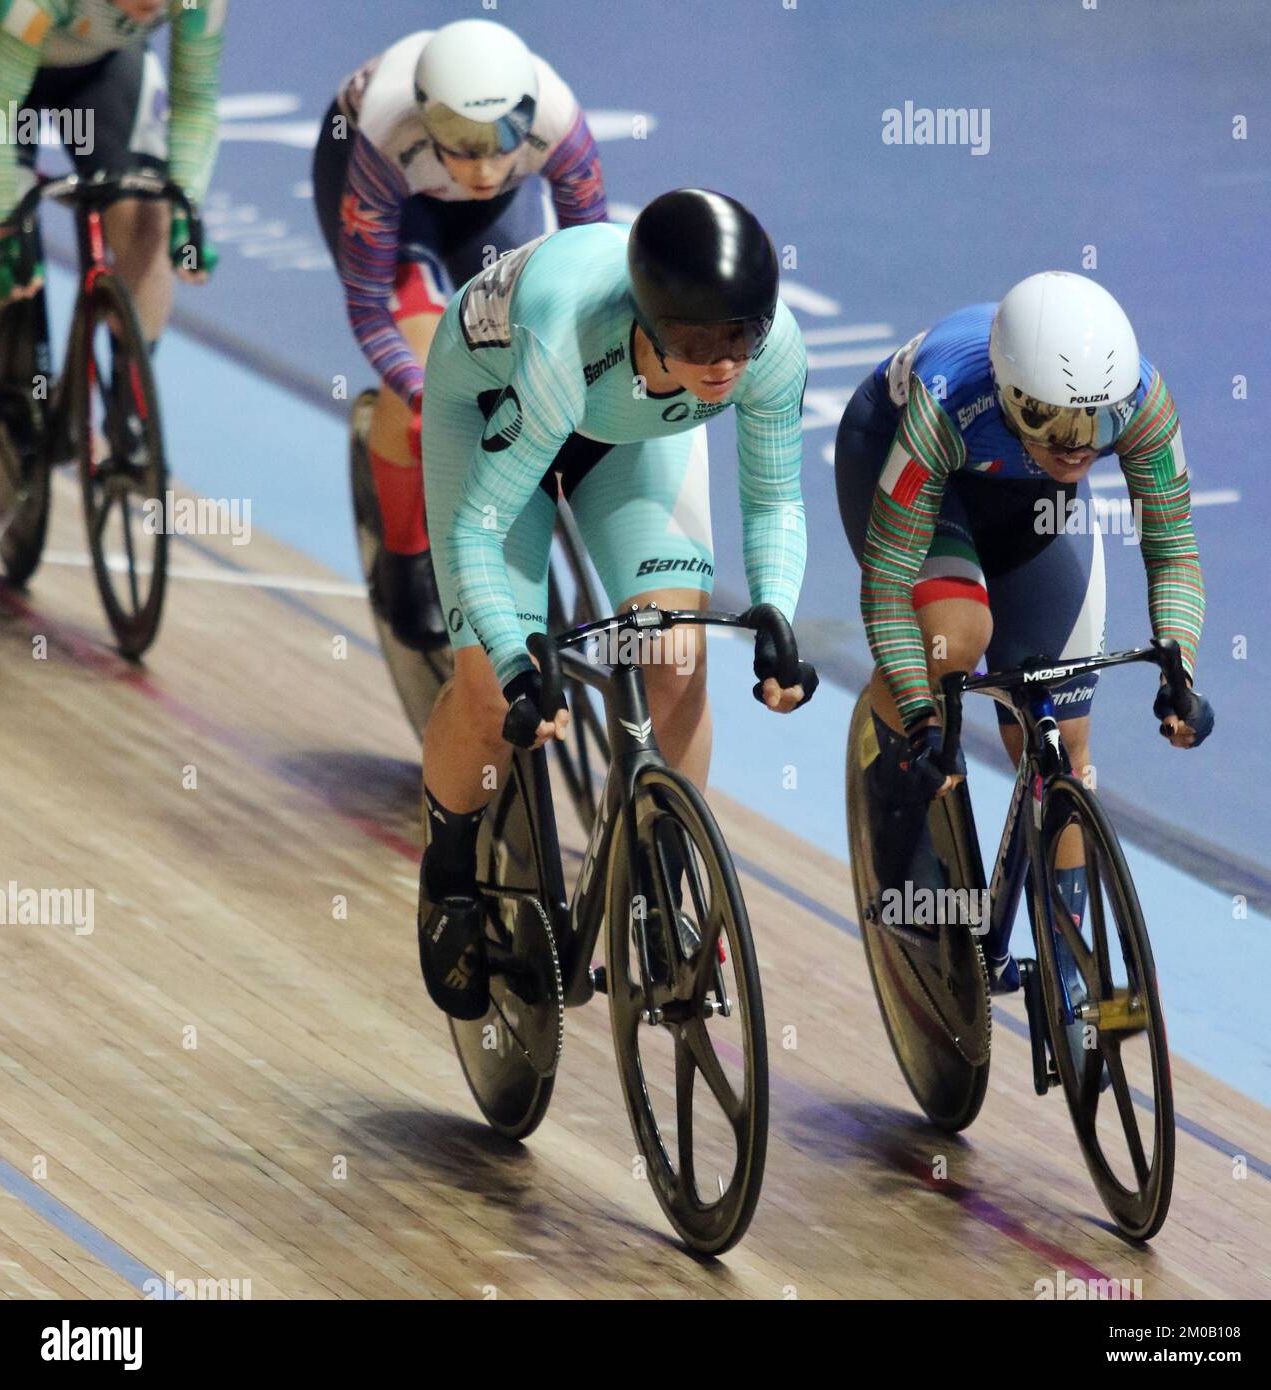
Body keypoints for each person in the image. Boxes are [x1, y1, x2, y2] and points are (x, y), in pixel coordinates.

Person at [415, 188, 818, 1020]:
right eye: (699, 342)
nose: (723, 365)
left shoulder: (766, 350)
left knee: (673, 652)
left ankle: (662, 885)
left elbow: (776, 499)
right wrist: (515, 662)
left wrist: (776, 611)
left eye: (739, 337)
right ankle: (448, 874)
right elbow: (475, 533)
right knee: (493, 693)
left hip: (633, 431)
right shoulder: (566, 339)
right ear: (646, 319)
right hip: (495, 405)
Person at [834, 270, 1214, 992]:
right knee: (958, 636)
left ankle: (1074, 980)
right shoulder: (949, 400)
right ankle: (893, 796)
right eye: (1056, 424)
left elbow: (1173, 550)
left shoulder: (1141, 401)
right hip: (910, 468)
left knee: (1063, 743)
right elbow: (886, 582)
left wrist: (1181, 670)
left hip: (1027, 510)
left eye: (1097, 425)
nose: (1078, 448)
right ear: (1009, 395)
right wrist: (922, 717)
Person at [312, 18, 608, 650]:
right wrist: (426, 392)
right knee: (423, 348)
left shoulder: (560, 125)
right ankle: (403, 556)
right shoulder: (387, 134)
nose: (484, 164)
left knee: (534, 317)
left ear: (528, 116)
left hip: (489, 216)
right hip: (401, 197)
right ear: (425, 119)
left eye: (504, 139)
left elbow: (595, 273)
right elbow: (368, 307)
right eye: (462, 143)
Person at [0, 0, 226, 329]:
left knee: (148, 222)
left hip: (97, 65)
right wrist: (2, 221)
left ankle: (130, 374)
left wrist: (185, 208)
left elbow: (195, 101)